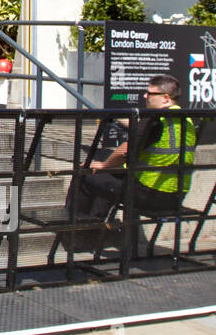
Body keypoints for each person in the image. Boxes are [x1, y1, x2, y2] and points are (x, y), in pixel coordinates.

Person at [74, 74, 198, 224]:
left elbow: (127, 150)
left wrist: (104, 165)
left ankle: (77, 229)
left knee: (85, 174)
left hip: (150, 194)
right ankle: (97, 226)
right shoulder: (185, 118)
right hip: (175, 196)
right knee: (108, 171)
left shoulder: (155, 119)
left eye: (150, 93)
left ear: (165, 98)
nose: (145, 96)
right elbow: (151, 133)